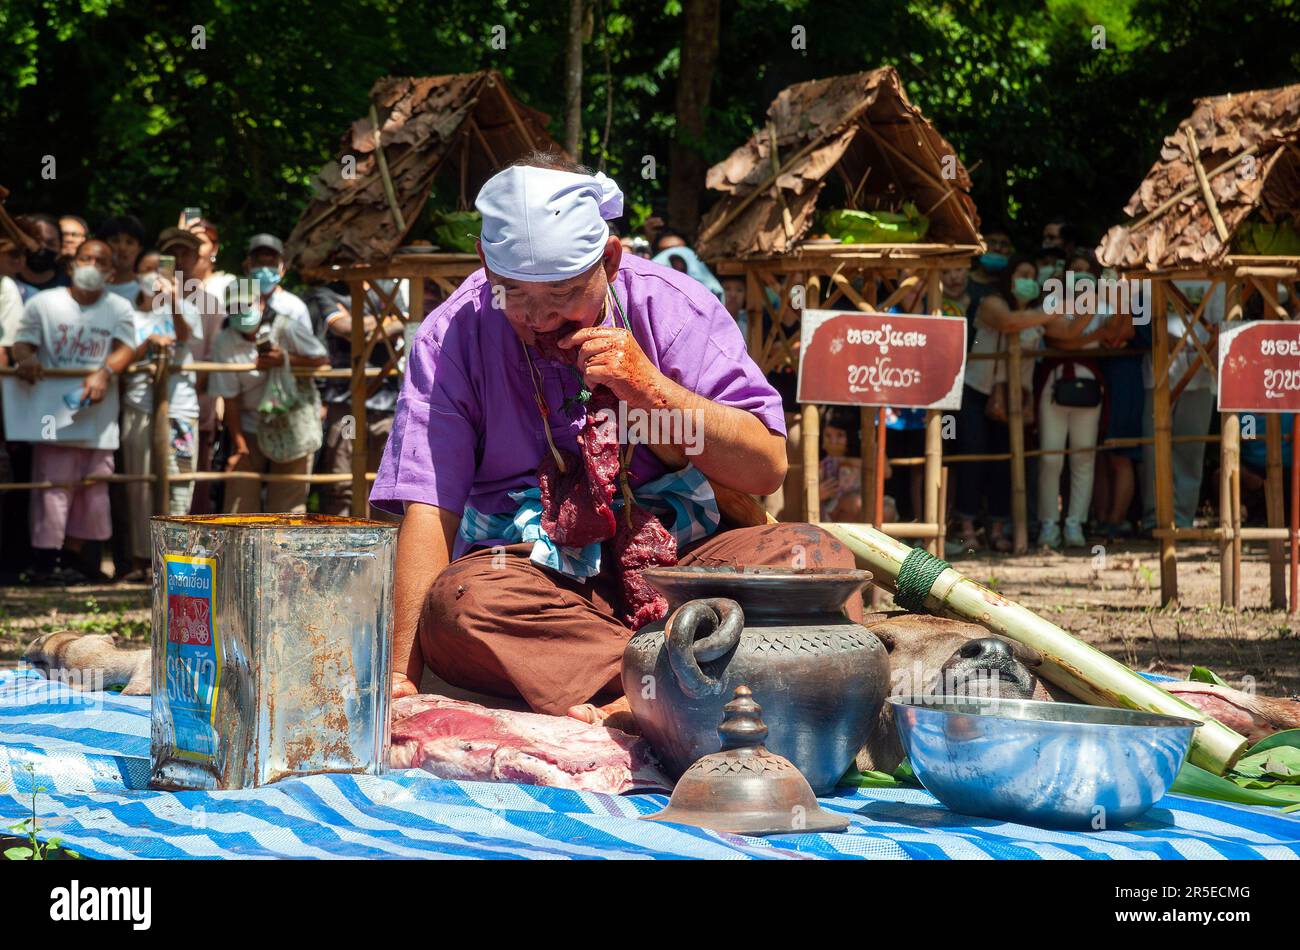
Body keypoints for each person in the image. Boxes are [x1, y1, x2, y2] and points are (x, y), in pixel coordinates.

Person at [370, 151, 846, 721]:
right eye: (515, 293)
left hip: (684, 567)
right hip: (543, 586)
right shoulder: (453, 334)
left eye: (565, 293)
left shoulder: (672, 307)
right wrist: (400, 677)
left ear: (611, 259)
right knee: (462, 605)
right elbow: (430, 507)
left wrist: (652, 389)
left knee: (813, 559)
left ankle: (642, 689)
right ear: (483, 262)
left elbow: (766, 468)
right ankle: (679, 682)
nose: (540, 317)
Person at [9, 239, 136, 583]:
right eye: (85, 258)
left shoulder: (120, 307)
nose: (92, 264)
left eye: (100, 260)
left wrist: (105, 372)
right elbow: (22, 343)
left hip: (98, 417)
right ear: (72, 264)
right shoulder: (43, 303)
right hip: (51, 415)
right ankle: (46, 563)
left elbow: (128, 349)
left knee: (93, 490)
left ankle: (77, 560)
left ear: (111, 271)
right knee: (52, 487)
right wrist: (26, 359)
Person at [952, 257, 1083, 553]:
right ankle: (966, 529)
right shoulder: (990, 302)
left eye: (1032, 275)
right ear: (1010, 277)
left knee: (1004, 462)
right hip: (978, 391)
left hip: (1014, 399)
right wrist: (1051, 310)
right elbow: (1010, 322)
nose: (1028, 280)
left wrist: (1094, 298)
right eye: (1022, 273)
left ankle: (998, 529)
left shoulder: (1040, 315)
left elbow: (1070, 332)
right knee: (973, 458)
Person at [1033, 250, 1128, 549]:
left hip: (1090, 383)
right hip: (1054, 381)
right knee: (1050, 457)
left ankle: (1076, 524)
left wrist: (1118, 297)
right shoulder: (1052, 302)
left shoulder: (1106, 303)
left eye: (1089, 271)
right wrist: (1092, 328)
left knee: (1084, 457)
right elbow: (1057, 338)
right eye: (1076, 269)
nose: (1082, 275)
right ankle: (1049, 525)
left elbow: (1121, 333)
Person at [118, 249, 203, 581]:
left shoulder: (190, 308)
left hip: (180, 408)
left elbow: (184, 335)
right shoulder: (126, 315)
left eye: (160, 270)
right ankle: (142, 562)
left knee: (180, 482)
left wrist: (173, 302)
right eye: (147, 269)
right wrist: (147, 343)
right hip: (139, 406)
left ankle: (175, 561)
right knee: (140, 485)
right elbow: (121, 360)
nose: (153, 276)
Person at [209, 283, 328, 514]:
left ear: (260, 304)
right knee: (239, 511)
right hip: (249, 429)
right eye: (235, 306)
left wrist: (285, 359)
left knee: (288, 511)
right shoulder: (224, 342)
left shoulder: (287, 327)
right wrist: (240, 447)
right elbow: (230, 400)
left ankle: (286, 552)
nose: (241, 310)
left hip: (292, 427)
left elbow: (321, 359)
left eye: (247, 304)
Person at [304, 279, 406, 517]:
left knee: (384, 486)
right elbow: (346, 329)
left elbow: (404, 323)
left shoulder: (389, 289)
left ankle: (385, 549)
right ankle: (337, 547)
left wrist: (360, 327)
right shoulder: (327, 291)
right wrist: (385, 321)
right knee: (341, 482)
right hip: (345, 403)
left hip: (386, 400)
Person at [1138, 279, 1223, 530]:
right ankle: (1155, 517)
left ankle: (1183, 519)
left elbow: (1219, 324)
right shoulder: (1151, 273)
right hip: (1158, 373)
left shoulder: (1214, 278)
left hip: (1200, 371)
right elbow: (1141, 319)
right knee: (1152, 447)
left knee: (1191, 450)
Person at [241, 233, 311, 330]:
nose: (265, 268)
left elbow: (307, 344)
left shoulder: (295, 308)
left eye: (271, 263)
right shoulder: (237, 304)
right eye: (259, 263)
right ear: (247, 267)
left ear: (282, 269)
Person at [14, 214, 67, 297]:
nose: (42, 248)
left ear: (60, 248)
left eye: (50, 243)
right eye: (36, 241)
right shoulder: (7, 281)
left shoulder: (70, 284)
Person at [97, 215, 146, 301]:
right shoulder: (91, 286)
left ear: (139, 249)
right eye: (115, 240)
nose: (122, 248)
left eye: (129, 242)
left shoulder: (147, 290)